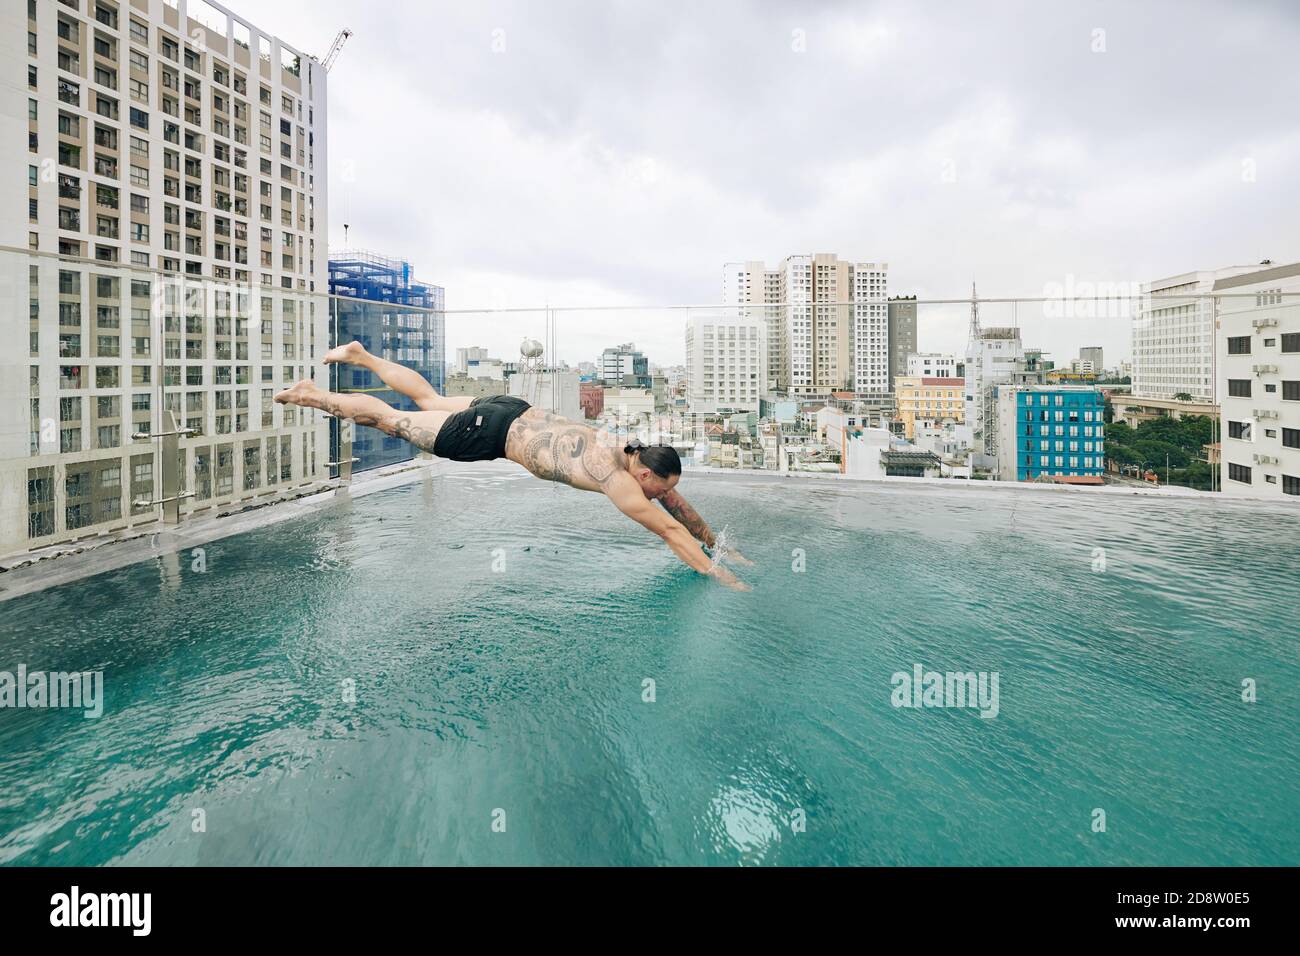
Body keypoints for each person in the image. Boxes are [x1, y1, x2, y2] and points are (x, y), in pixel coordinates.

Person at [274, 341, 752, 590]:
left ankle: (361, 355)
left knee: (429, 398)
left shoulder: (630, 448)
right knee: (390, 417)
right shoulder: (617, 481)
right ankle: (313, 395)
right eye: (654, 490)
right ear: (643, 474)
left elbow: (675, 504)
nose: (655, 497)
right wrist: (717, 576)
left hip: (512, 407)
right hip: (490, 434)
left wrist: (718, 546)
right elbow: (670, 532)